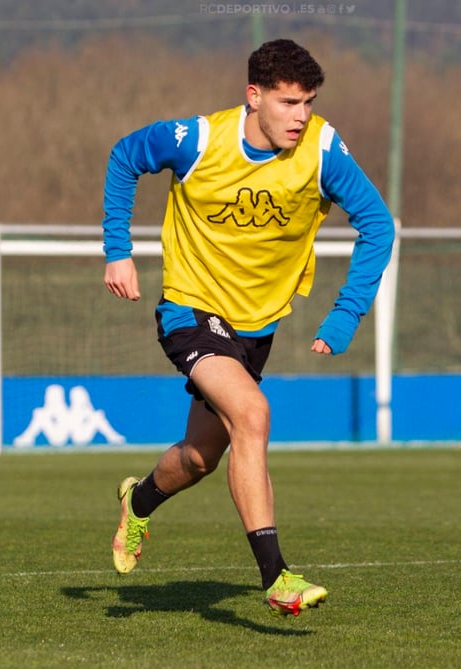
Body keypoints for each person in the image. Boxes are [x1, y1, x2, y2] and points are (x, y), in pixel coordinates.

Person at [101, 38, 395, 616]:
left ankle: (138, 502)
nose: (300, 115)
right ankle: (276, 576)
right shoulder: (198, 140)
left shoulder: (322, 150)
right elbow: (124, 155)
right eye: (287, 102)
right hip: (190, 308)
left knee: (198, 458)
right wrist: (118, 248)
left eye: (308, 102)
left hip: (255, 327)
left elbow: (378, 225)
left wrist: (345, 313)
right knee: (253, 415)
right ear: (254, 96)